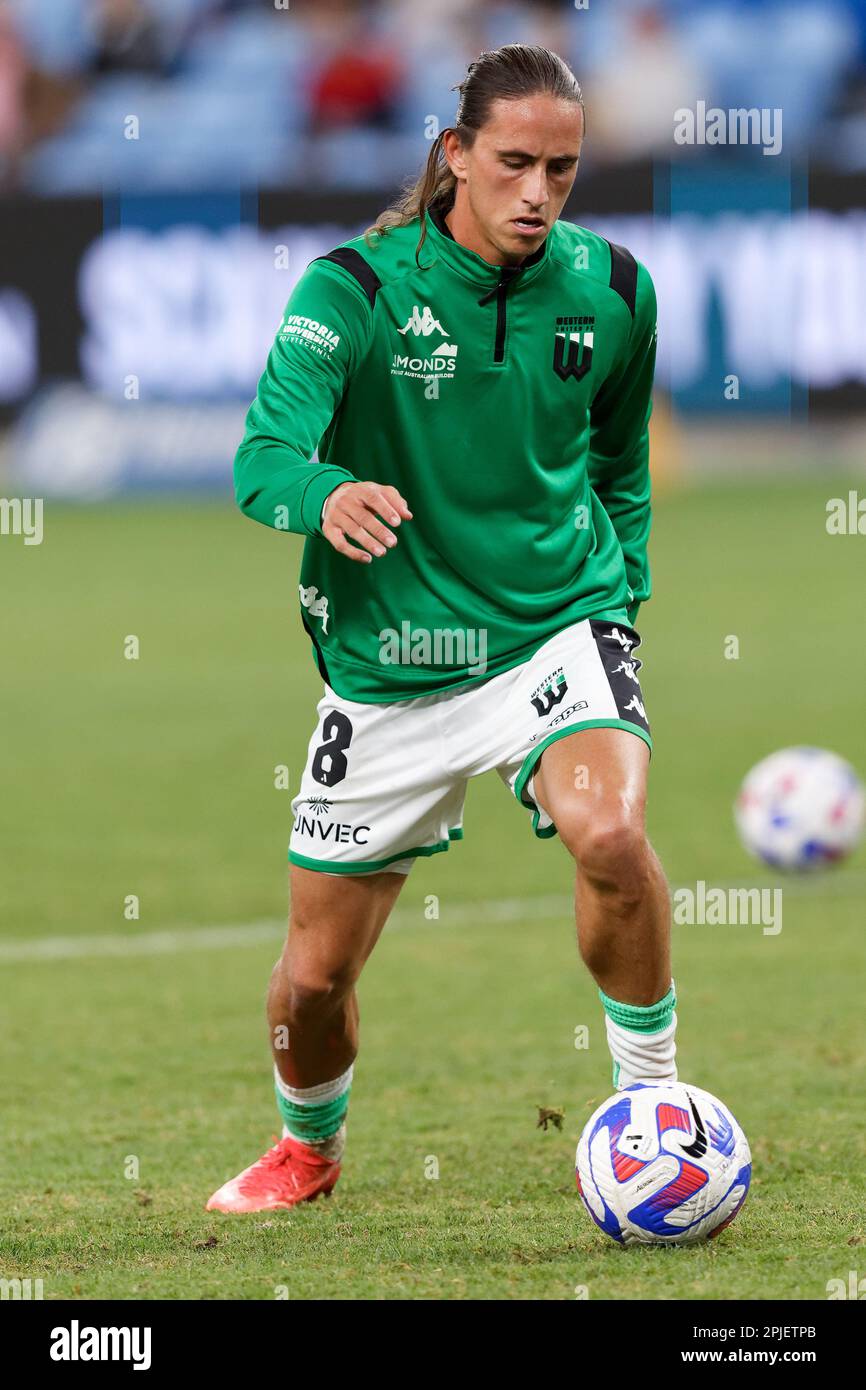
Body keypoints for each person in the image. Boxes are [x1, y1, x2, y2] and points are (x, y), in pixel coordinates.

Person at [207, 42, 676, 1215]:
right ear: (453, 154)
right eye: (512, 162)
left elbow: (617, 465)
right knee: (312, 980)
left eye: (561, 171)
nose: (536, 193)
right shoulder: (354, 290)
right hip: (392, 663)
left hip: (552, 627)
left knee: (608, 834)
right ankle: (307, 1149)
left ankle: (652, 1110)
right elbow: (262, 458)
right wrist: (327, 493)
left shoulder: (615, 290)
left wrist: (621, 604)